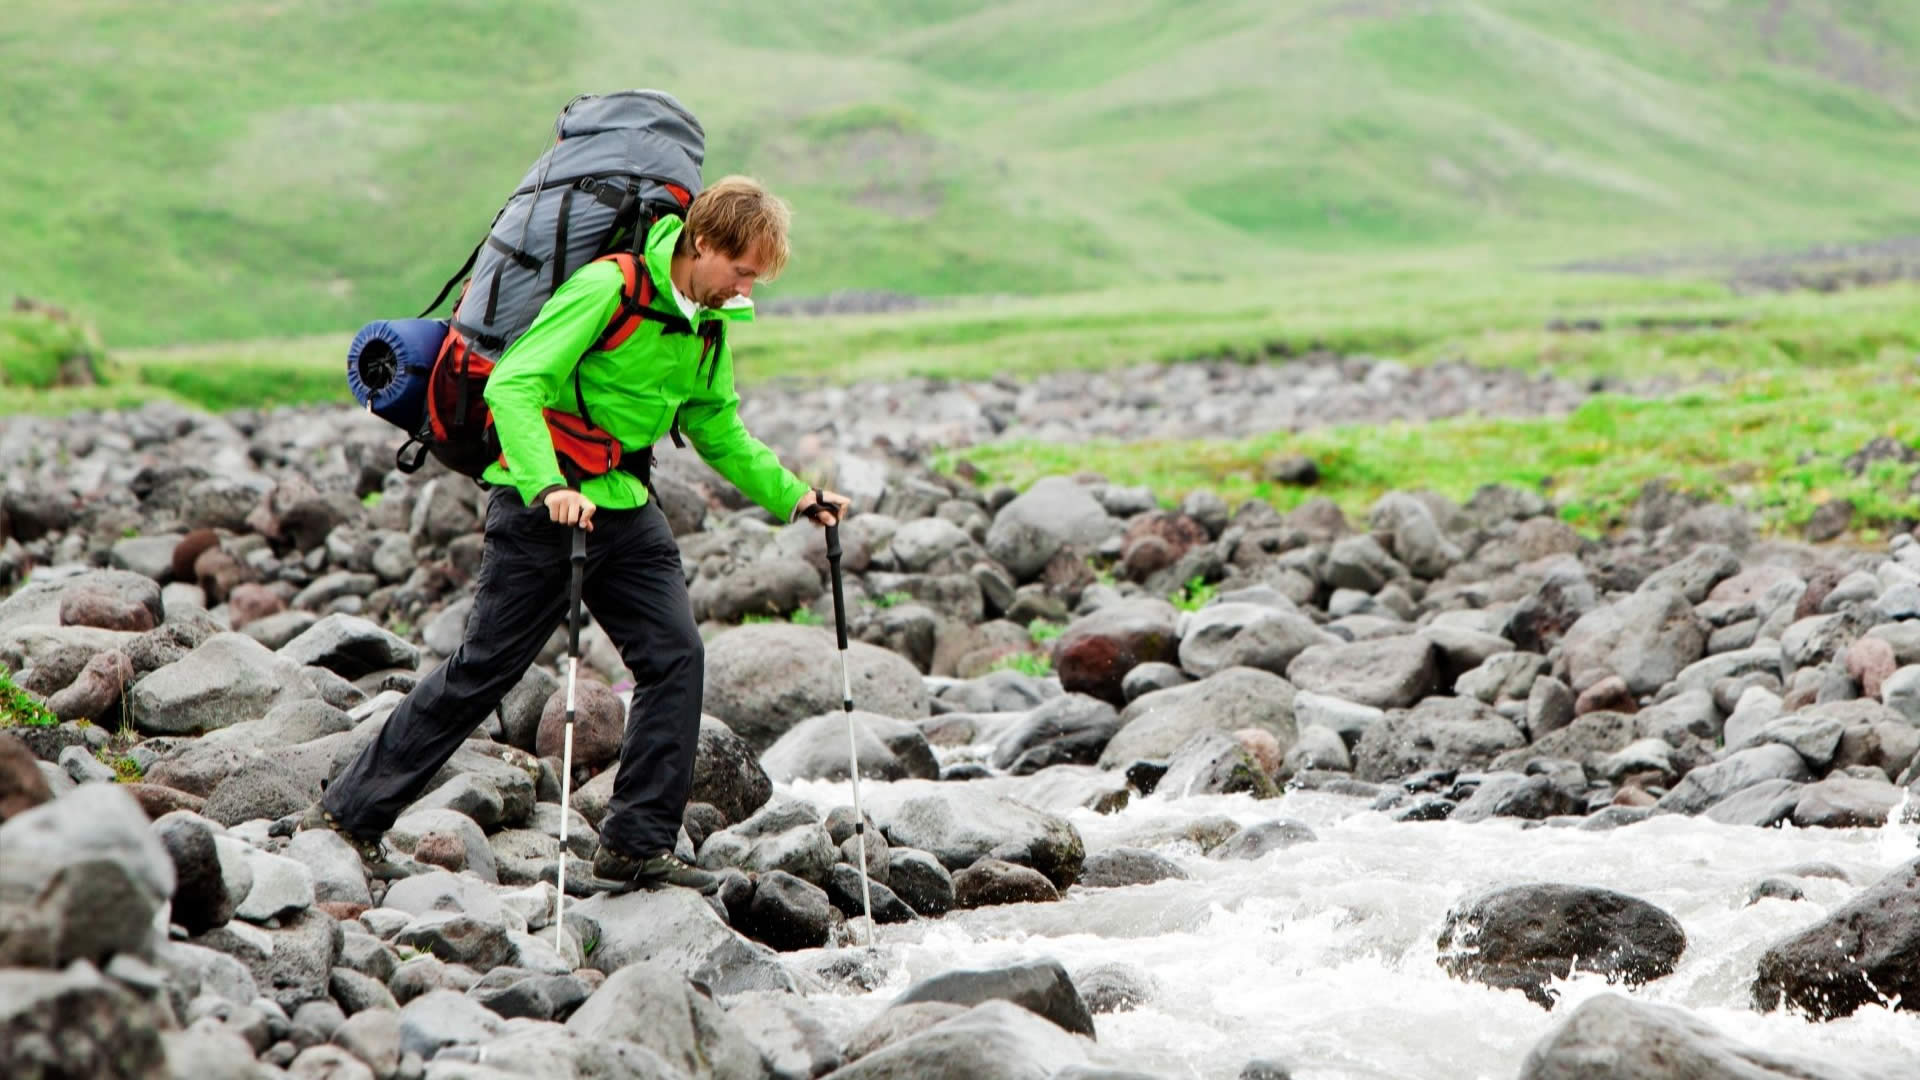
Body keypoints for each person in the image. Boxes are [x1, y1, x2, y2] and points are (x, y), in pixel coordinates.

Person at [281, 176, 849, 894]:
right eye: (741, 272)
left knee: (675, 657)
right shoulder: (608, 287)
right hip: (542, 507)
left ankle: (636, 844)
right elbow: (515, 383)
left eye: (755, 280)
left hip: (624, 503)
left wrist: (795, 495)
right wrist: (548, 486)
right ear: (703, 243)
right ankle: (344, 817)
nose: (745, 290)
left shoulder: (709, 320)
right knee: (484, 669)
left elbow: (716, 424)